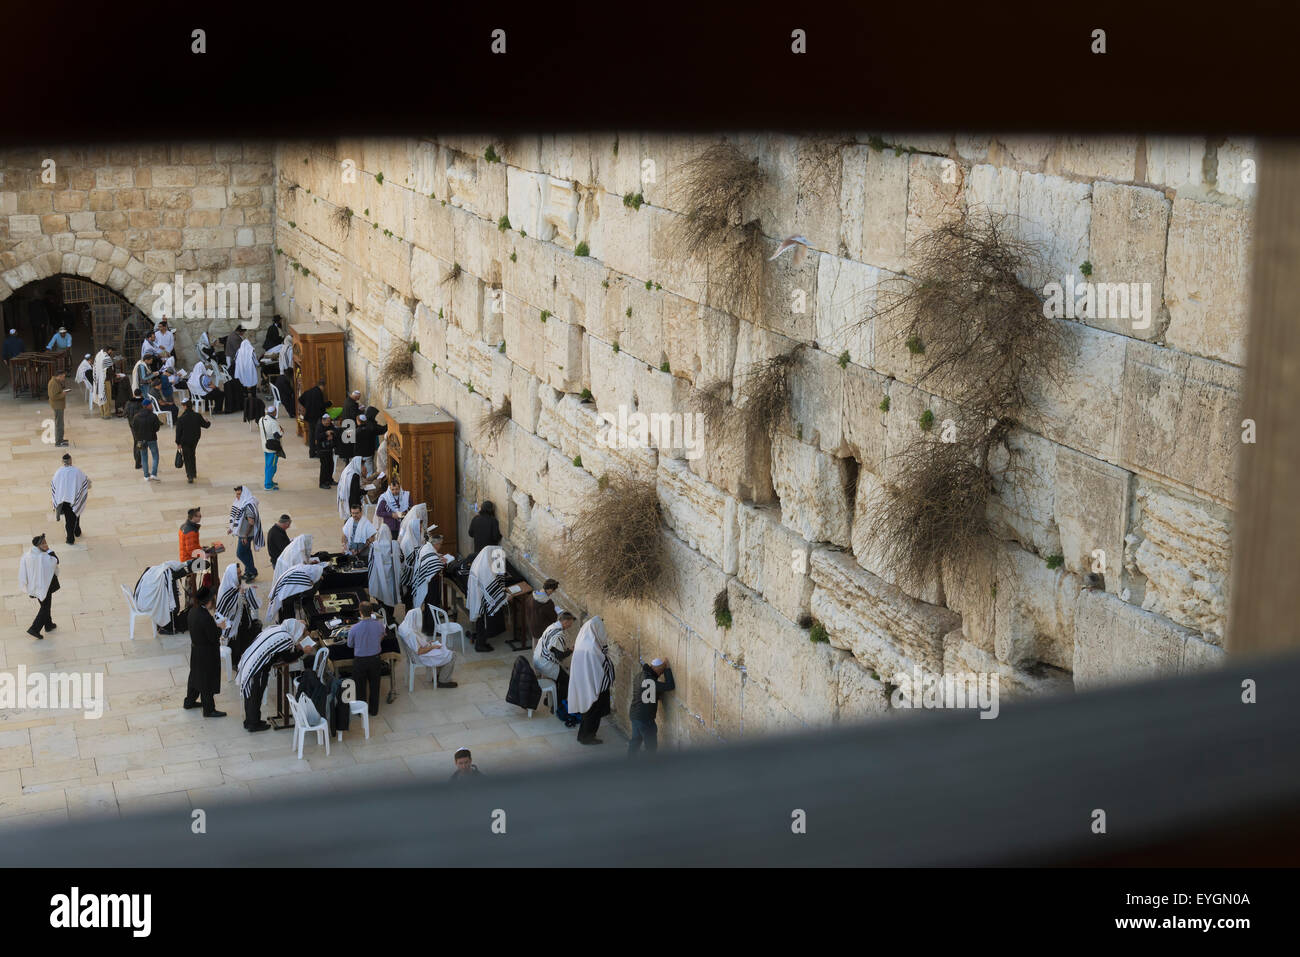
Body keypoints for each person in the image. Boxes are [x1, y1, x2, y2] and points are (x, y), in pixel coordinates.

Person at [236, 618, 313, 732]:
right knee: (256, 694)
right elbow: (287, 658)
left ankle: (250, 721)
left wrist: (297, 648)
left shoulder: (277, 629)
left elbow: (279, 651)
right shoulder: (286, 638)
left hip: (250, 660)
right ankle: (253, 724)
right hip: (259, 667)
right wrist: (302, 651)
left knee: (252, 694)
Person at [570, 616, 614, 745]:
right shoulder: (591, 648)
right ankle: (587, 737)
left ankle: (584, 735)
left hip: (586, 683)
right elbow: (599, 667)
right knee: (592, 712)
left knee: (588, 711)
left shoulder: (584, 641)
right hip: (594, 686)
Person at [183, 586, 226, 717]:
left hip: (196, 649)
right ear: (208, 601)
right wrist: (220, 627)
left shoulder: (193, 611)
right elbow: (213, 637)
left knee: (195, 676)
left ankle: (189, 701)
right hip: (206, 653)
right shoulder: (205, 617)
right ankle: (209, 709)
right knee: (206, 679)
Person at [214, 561, 261, 666]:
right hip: (232, 625)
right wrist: (239, 594)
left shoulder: (237, 585)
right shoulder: (225, 590)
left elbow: (245, 600)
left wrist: (248, 590)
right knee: (237, 645)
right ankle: (236, 662)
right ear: (232, 575)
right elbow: (225, 610)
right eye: (238, 574)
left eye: (240, 573)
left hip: (242, 620)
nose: (240, 575)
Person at [628, 657, 675, 757]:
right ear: (656, 669)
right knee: (651, 747)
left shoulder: (640, 675)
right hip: (645, 719)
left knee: (635, 741)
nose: (661, 674)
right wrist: (667, 668)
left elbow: (647, 693)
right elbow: (670, 686)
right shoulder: (651, 682)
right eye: (661, 671)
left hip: (635, 715)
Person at [346, 602, 387, 717]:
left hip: (360, 660)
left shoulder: (354, 628)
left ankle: (360, 711)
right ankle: (374, 711)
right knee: (375, 685)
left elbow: (350, 644)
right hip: (375, 659)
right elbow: (383, 634)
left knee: (360, 686)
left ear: (360, 612)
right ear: (372, 612)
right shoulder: (378, 625)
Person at [466, 543, 508, 653]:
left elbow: (496, 575)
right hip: (481, 598)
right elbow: (489, 583)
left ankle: (481, 641)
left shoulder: (480, 561)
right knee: (483, 621)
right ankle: (480, 645)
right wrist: (503, 595)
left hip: (477, 596)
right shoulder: (484, 567)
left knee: (480, 621)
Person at [17, 533, 60, 639]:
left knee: (45, 605)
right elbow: (56, 561)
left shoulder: (27, 555)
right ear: (38, 546)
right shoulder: (44, 556)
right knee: (45, 607)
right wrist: (50, 551)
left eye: (46, 542)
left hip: (35, 586)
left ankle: (48, 625)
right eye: (44, 543)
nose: (46, 544)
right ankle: (34, 629)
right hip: (44, 586)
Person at [533, 608, 576, 705]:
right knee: (566, 681)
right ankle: (559, 705)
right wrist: (571, 650)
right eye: (570, 623)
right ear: (565, 621)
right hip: (545, 663)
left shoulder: (552, 626)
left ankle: (550, 701)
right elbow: (559, 656)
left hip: (538, 658)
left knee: (559, 678)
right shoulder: (558, 635)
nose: (571, 626)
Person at [133, 560, 187, 635]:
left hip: (140, 601)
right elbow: (174, 607)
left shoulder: (151, 570)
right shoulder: (167, 575)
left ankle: (164, 625)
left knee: (167, 602)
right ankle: (166, 627)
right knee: (171, 606)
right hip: (147, 604)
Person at [262, 559, 325, 623]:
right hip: (285, 596)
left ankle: (283, 623)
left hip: (283, 591)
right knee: (288, 615)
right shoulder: (303, 576)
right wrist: (318, 582)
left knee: (283, 612)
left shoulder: (304, 569)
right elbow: (309, 593)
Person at [50, 453, 91, 546]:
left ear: (62, 462)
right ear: (71, 461)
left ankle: (76, 531)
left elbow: (53, 484)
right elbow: (85, 481)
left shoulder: (58, 472)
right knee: (75, 515)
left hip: (63, 501)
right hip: (73, 500)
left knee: (69, 519)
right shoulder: (77, 471)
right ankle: (71, 538)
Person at [228, 485, 265, 582]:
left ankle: (252, 571)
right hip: (243, 534)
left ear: (244, 494)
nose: (237, 496)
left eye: (239, 494)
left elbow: (251, 522)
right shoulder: (243, 502)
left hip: (246, 535)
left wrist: (245, 535)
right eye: (236, 494)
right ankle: (249, 571)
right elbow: (237, 517)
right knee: (247, 552)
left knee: (240, 553)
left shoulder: (248, 505)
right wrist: (232, 528)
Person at [368, 524, 401, 620]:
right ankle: (391, 616)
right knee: (391, 595)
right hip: (392, 575)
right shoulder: (394, 544)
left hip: (379, 575)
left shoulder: (374, 545)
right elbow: (400, 558)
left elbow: (370, 562)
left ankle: (384, 616)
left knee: (381, 594)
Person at [410, 528, 448, 612]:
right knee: (431, 605)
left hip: (424, 581)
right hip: (429, 584)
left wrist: (438, 556)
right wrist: (442, 561)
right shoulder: (431, 553)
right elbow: (436, 564)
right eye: (440, 544)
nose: (440, 546)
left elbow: (432, 556)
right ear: (436, 544)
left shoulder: (426, 546)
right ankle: (430, 624)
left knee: (428, 605)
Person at [174, 399, 211, 484]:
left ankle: (190, 475)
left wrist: (178, 443)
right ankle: (193, 473)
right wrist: (208, 421)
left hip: (184, 441)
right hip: (195, 440)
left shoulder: (181, 419)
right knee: (192, 455)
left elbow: (178, 432)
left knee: (187, 457)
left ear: (185, 406)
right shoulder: (197, 416)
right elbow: (206, 425)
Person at [298, 377, 330, 459]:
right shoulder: (319, 393)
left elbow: (300, 399)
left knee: (311, 435)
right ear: (323, 386)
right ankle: (319, 453)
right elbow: (321, 406)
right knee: (318, 435)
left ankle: (312, 453)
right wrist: (329, 403)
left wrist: (308, 407)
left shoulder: (309, 391)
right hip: (316, 417)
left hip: (309, 417)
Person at [132, 397, 162, 481]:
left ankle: (146, 476)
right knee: (155, 456)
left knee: (143, 457)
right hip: (152, 439)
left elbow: (134, 428)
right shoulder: (153, 416)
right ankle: (153, 474)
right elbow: (157, 428)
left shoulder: (136, 416)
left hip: (140, 440)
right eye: (151, 404)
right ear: (148, 405)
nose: (152, 405)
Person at [528, 578, 561, 645]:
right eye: (553, 591)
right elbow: (553, 618)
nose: (552, 593)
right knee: (542, 647)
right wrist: (556, 611)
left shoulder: (532, 596)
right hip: (542, 629)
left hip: (532, 624)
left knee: (535, 643)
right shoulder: (548, 603)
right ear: (550, 589)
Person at [355, 406, 388, 474]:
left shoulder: (357, 430)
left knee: (360, 470)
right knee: (369, 471)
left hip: (358, 454)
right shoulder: (371, 427)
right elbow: (382, 429)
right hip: (368, 453)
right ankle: (368, 483)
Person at [259, 402, 283, 491]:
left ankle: (270, 481)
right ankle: (268, 485)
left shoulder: (261, 420)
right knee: (271, 466)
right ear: (274, 412)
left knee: (268, 465)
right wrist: (282, 431)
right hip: (272, 448)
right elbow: (277, 435)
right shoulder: (273, 423)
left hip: (265, 446)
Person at [233, 335, 259, 415]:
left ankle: (244, 402)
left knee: (243, 385)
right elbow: (255, 362)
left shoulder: (238, 351)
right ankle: (254, 400)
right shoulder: (251, 351)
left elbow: (235, 360)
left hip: (241, 371)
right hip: (250, 371)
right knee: (252, 384)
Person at [47, 370, 71, 447]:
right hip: (57, 406)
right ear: (59, 376)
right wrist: (63, 394)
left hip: (59, 405)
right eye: (63, 377)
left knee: (61, 423)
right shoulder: (53, 383)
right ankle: (58, 442)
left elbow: (57, 392)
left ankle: (61, 439)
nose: (64, 378)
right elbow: (53, 396)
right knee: (59, 424)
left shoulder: (56, 381)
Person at [316, 414, 336, 488]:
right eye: (327, 422)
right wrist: (325, 434)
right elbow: (317, 437)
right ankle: (322, 483)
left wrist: (332, 435)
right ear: (322, 421)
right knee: (324, 466)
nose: (328, 424)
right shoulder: (319, 426)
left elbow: (335, 431)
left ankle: (329, 480)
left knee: (331, 465)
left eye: (329, 422)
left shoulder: (330, 425)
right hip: (322, 449)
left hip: (329, 449)